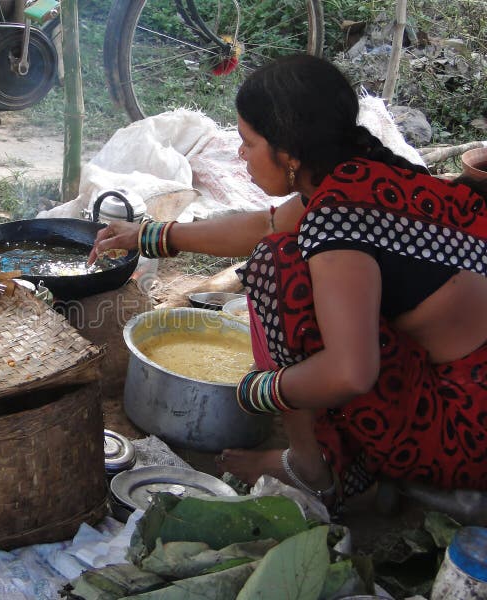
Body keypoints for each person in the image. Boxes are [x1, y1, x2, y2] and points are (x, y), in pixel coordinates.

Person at [89, 54, 487, 510]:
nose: (240, 153)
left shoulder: (337, 224)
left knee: (278, 269)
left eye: (248, 141)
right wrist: (152, 235)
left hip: (466, 426)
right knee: (285, 254)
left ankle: (313, 469)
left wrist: (256, 391)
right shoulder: (361, 173)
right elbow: (264, 224)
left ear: (291, 152)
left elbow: (351, 372)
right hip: (463, 381)